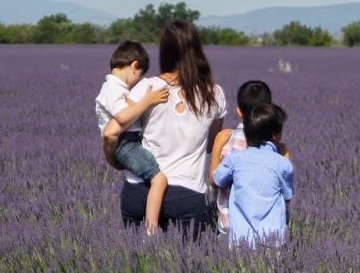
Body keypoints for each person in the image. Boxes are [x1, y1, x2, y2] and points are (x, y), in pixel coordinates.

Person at [110, 20, 226, 237]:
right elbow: (211, 144)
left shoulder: (147, 87)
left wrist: (114, 159)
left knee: (138, 264)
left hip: (140, 190)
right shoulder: (214, 94)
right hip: (187, 194)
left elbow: (112, 130)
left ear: (165, 51)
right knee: (187, 267)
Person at [95, 41, 171, 228]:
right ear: (134, 66)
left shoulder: (118, 88)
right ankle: (151, 230)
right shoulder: (111, 88)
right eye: (140, 75)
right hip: (125, 144)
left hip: (130, 141)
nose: (138, 80)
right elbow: (122, 117)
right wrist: (147, 100)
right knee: (159, 179)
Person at [210, 79, 292, 235]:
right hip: (271, 234)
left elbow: (215, 181)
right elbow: (287, 192)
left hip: (234, 228)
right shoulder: (276, 149)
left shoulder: (228, 143)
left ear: (239, 111)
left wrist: (216, 148)